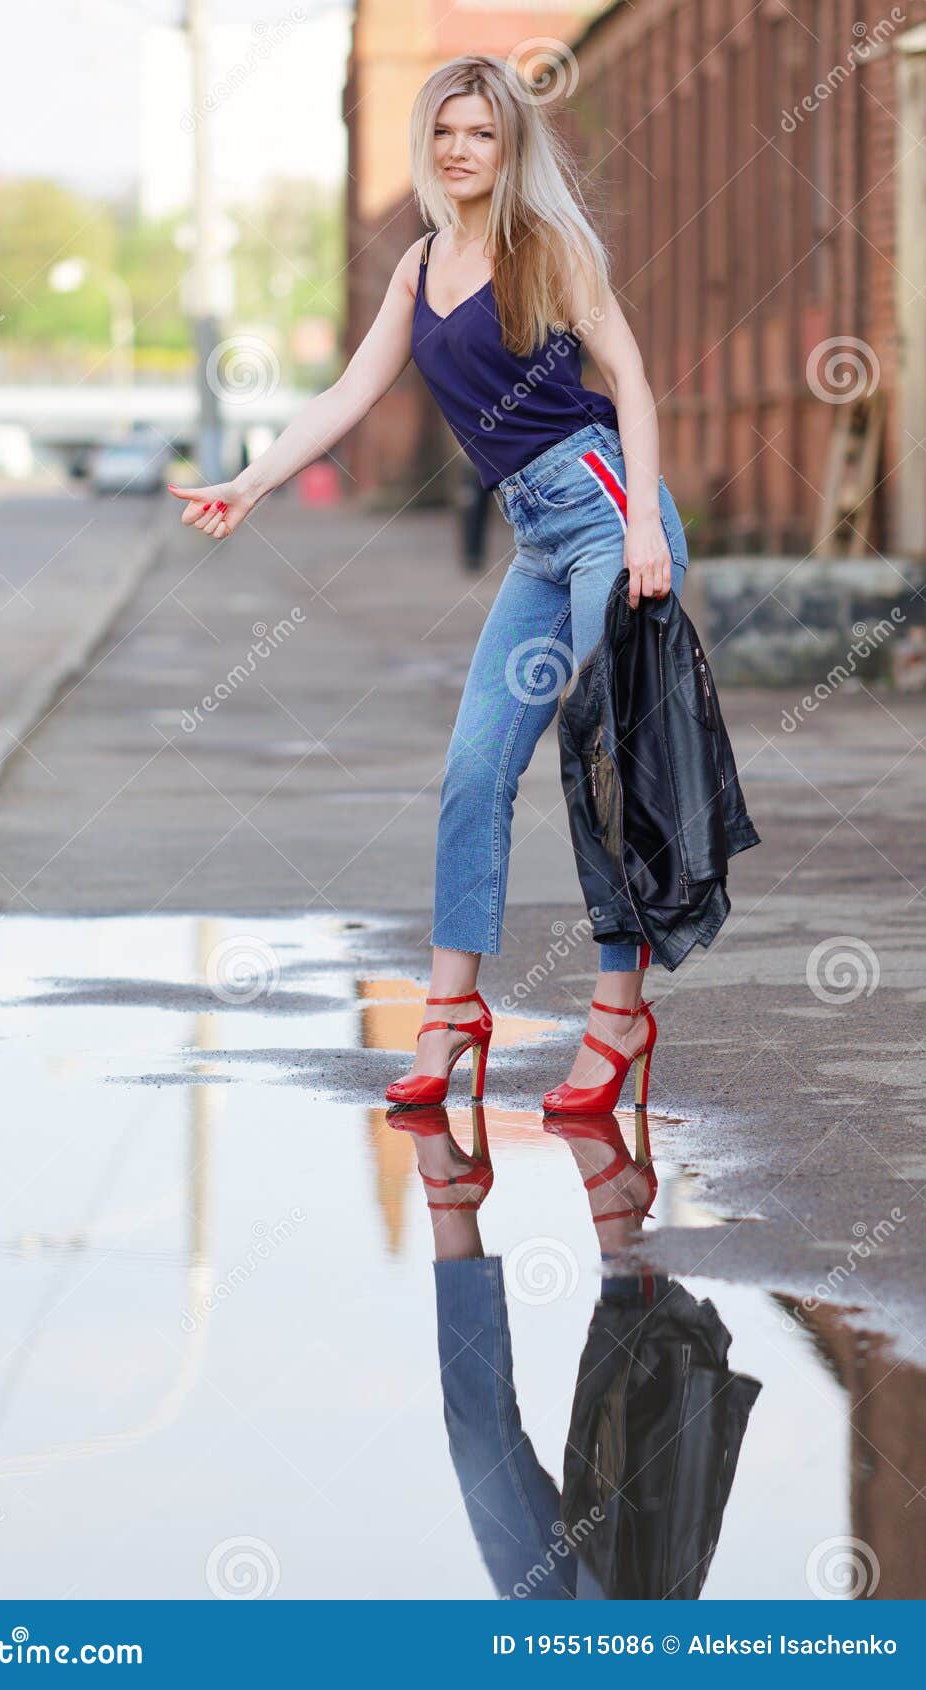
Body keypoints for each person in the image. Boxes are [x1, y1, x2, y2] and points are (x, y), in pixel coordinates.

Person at [168, 54, 690, 1113]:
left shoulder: (546, 247)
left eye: (481, 134)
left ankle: (617, 1015)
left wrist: (642, 527)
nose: (460, 149)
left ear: (508, 148)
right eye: (445, 131)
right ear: (428, 141)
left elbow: (629, 379)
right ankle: (451, 1009)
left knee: (602, 768)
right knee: (470, 770)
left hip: (604, 513)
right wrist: (256, 479)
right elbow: (352, 390)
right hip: (538, 540)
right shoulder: (416, 266)